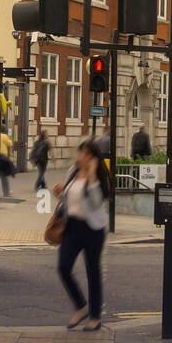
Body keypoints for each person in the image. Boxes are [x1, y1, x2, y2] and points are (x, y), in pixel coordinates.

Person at [53, 139, 111, 331]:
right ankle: (80, 306)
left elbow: (95, 203)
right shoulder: (72, 172)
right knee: (63, 267)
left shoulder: (99, 177)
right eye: (81, 153)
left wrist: (92, 175)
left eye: (85, 155)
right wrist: (60, 193)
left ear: (93, 158)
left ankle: (94, 316)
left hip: (93, 229)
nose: (81, 157)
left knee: (93, 272)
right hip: (72, 226)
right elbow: (69, 198)